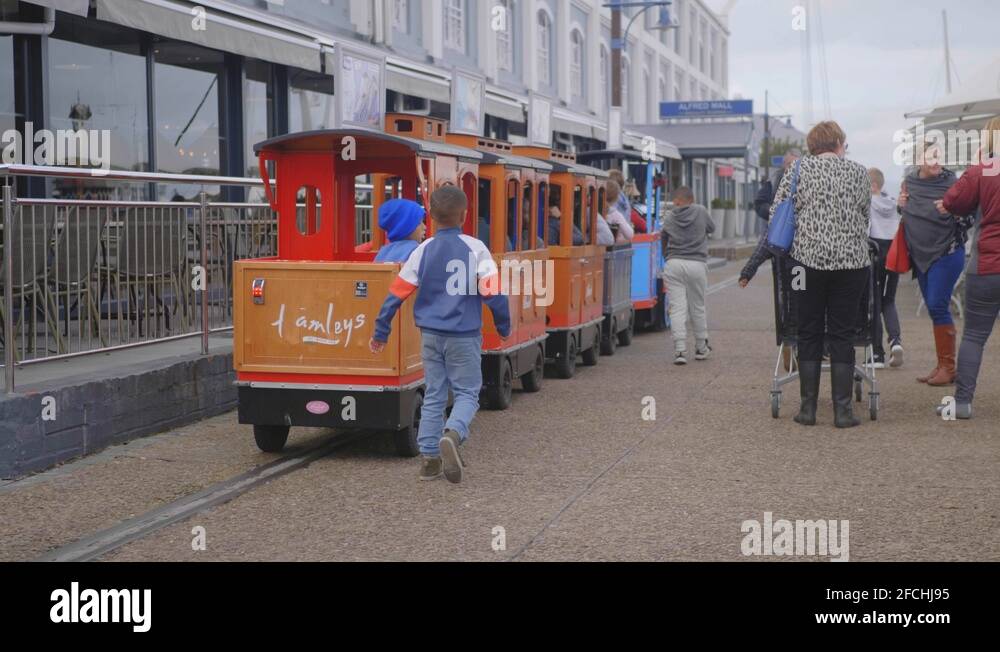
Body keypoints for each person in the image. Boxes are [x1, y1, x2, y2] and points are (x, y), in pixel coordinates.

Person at [370, 186, 511, 483]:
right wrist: (503, 326)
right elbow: (494, 294)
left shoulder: (422, 250)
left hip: (431, 335)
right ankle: (453, 433)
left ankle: (429, 460)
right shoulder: (476, 248)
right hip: (464, 335)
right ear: (465, 215)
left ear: (431, 217)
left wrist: (381, 331)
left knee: (434, 393)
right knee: (467, 392)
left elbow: (395, 295)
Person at [774, 121, 871, 428]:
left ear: (812, 146)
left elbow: (777, 212)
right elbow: (865, 215)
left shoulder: (797, 170)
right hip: (851, 265)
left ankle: (808, 410)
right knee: (843, 333)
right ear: (839, 143)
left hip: (804, 265)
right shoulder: (859, 172)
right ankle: (843, 412)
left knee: (808, 330)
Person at [938, 115, 1000, 419]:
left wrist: (976, 165)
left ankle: (962, 403)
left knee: (974, 335)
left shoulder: (983, 169)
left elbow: (953, 201)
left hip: (987, 264)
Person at [899, 141, 975, 386]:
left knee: (936, 304)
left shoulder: (953, 184)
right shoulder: (909, 184)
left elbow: (971, 217)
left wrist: (953, 211)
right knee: (935, 309)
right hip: (919, 255)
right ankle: (943, 364)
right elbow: (908, 213)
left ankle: (949, 367)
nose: (936, 162)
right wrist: (900, 207)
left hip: (947, 252)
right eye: (930, 157)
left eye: (938, 156)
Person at [661, 186, 715, 365]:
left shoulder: (669, 217)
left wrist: (667, 257)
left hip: (674, 263)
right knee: (697, 307)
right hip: (697, 263)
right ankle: (701, 347)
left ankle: (680, 350)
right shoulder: (701, 211)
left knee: (677, 308)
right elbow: (712, 228)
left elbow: (663, 238)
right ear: (692, 199)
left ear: (676, 201)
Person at [867, 168, 904, 369]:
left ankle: (877, 354)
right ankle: (895, 341)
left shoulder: (867, 202)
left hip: (875, 254)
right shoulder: (893, 203)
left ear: (872, 186)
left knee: (874, 303)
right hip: (893, 254)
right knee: (889, 300)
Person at [754, 149, 802, 232]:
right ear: (784, 164)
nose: (792, 168)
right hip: (776, 231)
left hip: (799, 232)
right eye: (789, 164)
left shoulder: (806, 181)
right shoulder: (773, 180)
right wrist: (774, 212)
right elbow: (759, 204)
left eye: (796, 165)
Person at [373, 198, 426, 263]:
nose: (424, 227)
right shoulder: (417, 251)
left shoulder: (382, 253)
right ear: (406, 227)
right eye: (419, 223)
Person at [605, 180, 635, 245]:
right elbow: (630, 234)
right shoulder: (615, 214)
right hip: (611, 246)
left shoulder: (593, 209)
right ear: (616, 198)